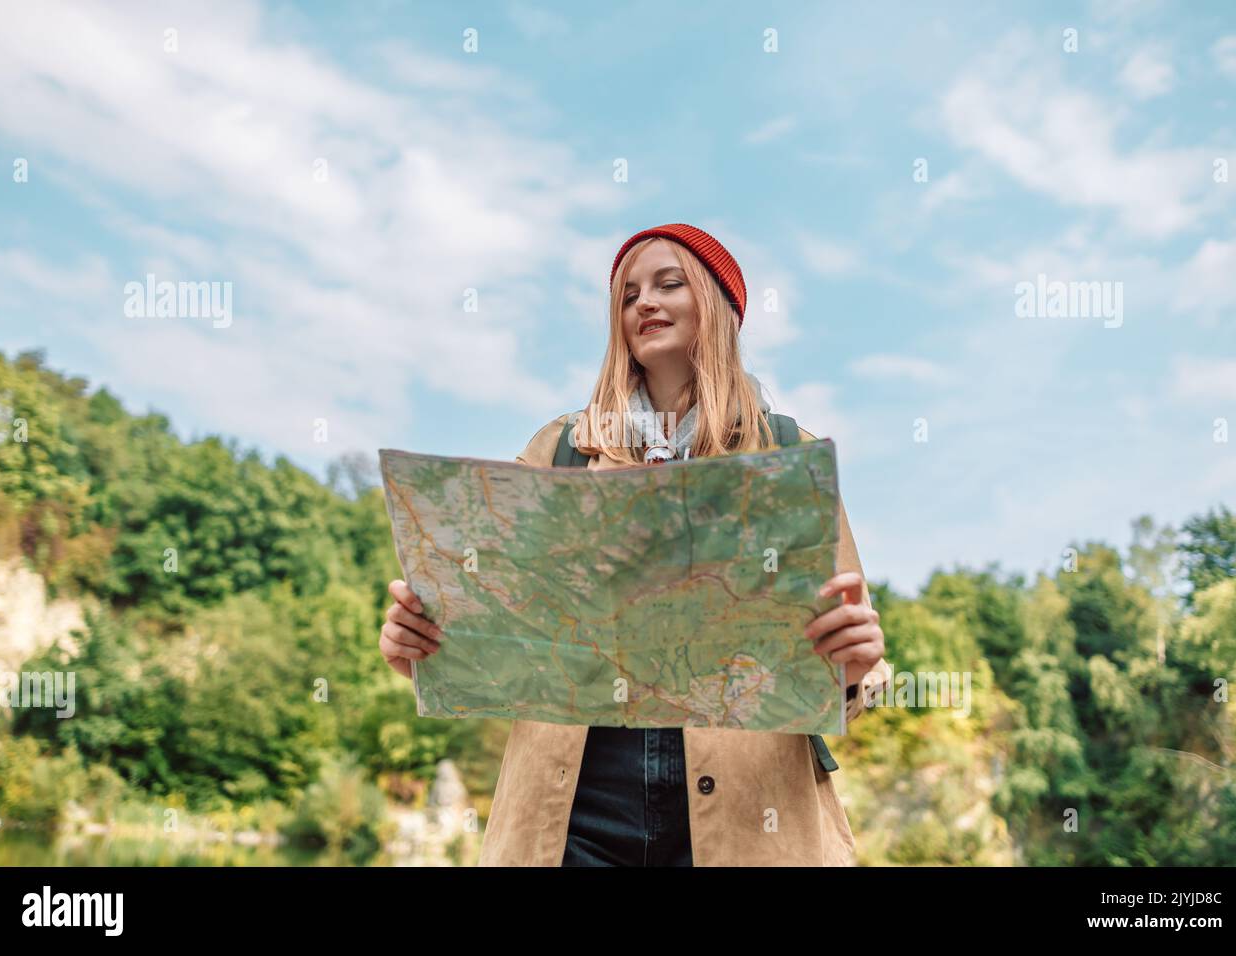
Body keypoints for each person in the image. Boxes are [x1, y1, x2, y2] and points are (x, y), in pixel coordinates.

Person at [380, 223, 892, 866]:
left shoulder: (790, 455)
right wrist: (425, 646)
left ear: (718, 306)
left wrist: (857, 667)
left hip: (749, 809)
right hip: (573, 808)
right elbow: (497, 621)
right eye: (627, 295)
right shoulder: (560, 451)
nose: (643, 303)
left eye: (668, 283)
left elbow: (862, 665)